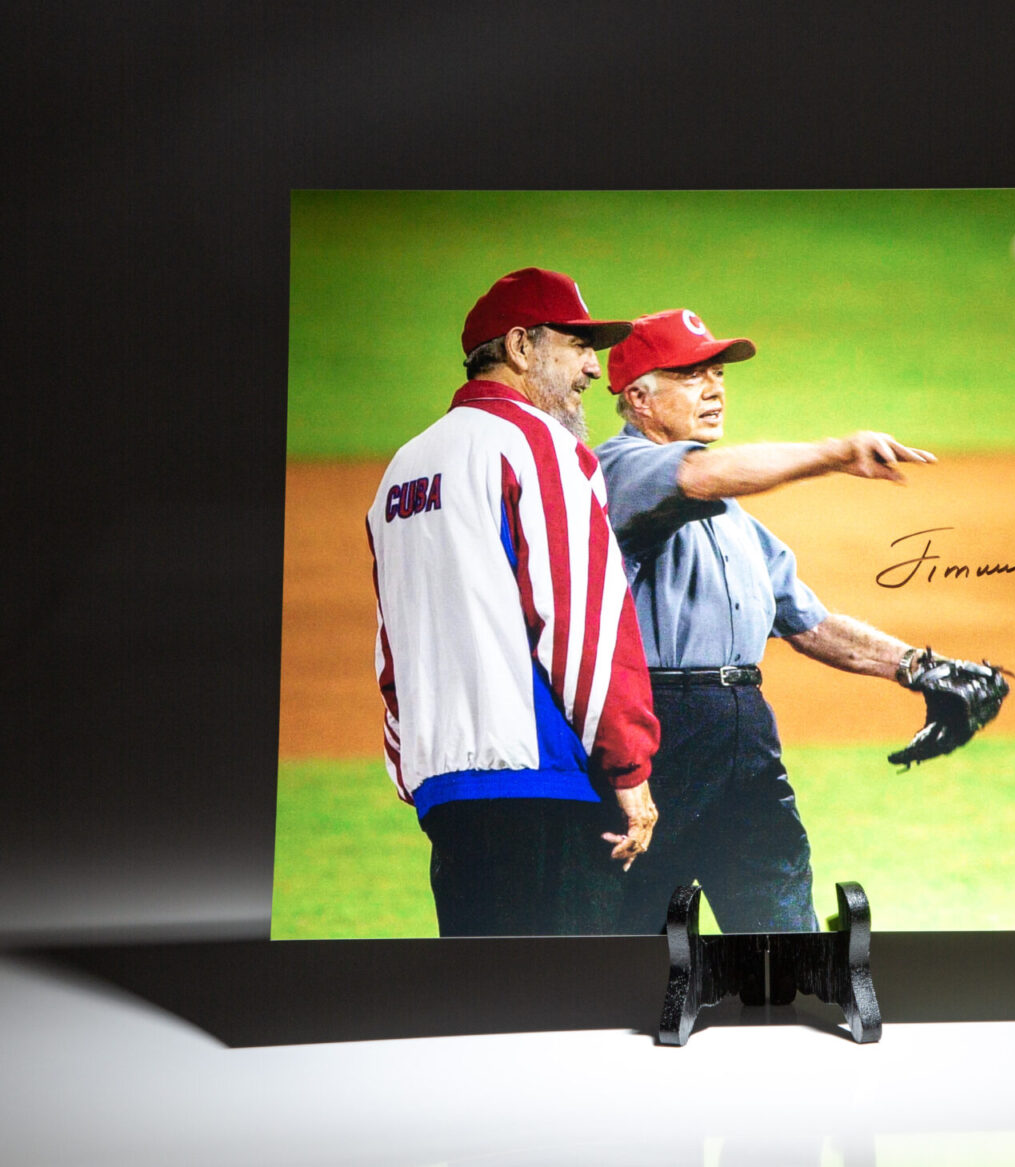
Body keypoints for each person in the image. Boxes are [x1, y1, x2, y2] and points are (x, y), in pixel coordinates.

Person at [596, 307, 943, 935]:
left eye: (718, 373)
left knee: (779, 912)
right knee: (642, 919)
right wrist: (833, 452)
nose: (714, 387)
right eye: (689, 374)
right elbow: (698, 475)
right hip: (658, 727)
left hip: (742, 728)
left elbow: (808, 622)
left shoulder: (731, 513)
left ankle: (781, 1017)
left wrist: (920, 668)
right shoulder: (613, 471)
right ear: (638, 398)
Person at [365, 267, 660, 936]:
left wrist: (424, 775)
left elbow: (392, 651)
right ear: (521, 346)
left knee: (485, 1000)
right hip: (546, 787)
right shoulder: (538, 445)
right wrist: (630, 770)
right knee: (571, 1006)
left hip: (449, 795)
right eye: (578, 344)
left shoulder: (401, 470)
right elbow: (585, 625)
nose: (594, 367)